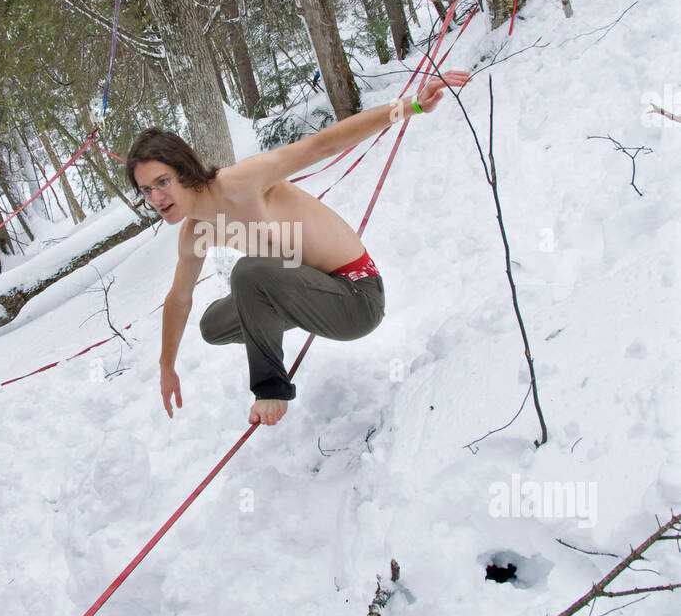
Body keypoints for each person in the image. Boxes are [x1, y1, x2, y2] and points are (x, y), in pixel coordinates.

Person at [126, 71, 472, 428]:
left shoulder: (238, 183)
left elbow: (321, 145)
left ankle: (270, 388)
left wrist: (411, 105)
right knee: (214, 325)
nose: (156, 198)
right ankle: (275, 317)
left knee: (249, 271)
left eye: (162, 182)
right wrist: (166, 366)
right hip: (310, 292)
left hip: (356, 296)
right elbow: (179, 298)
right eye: (146, 191)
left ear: (184, 171)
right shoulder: (194, 232)